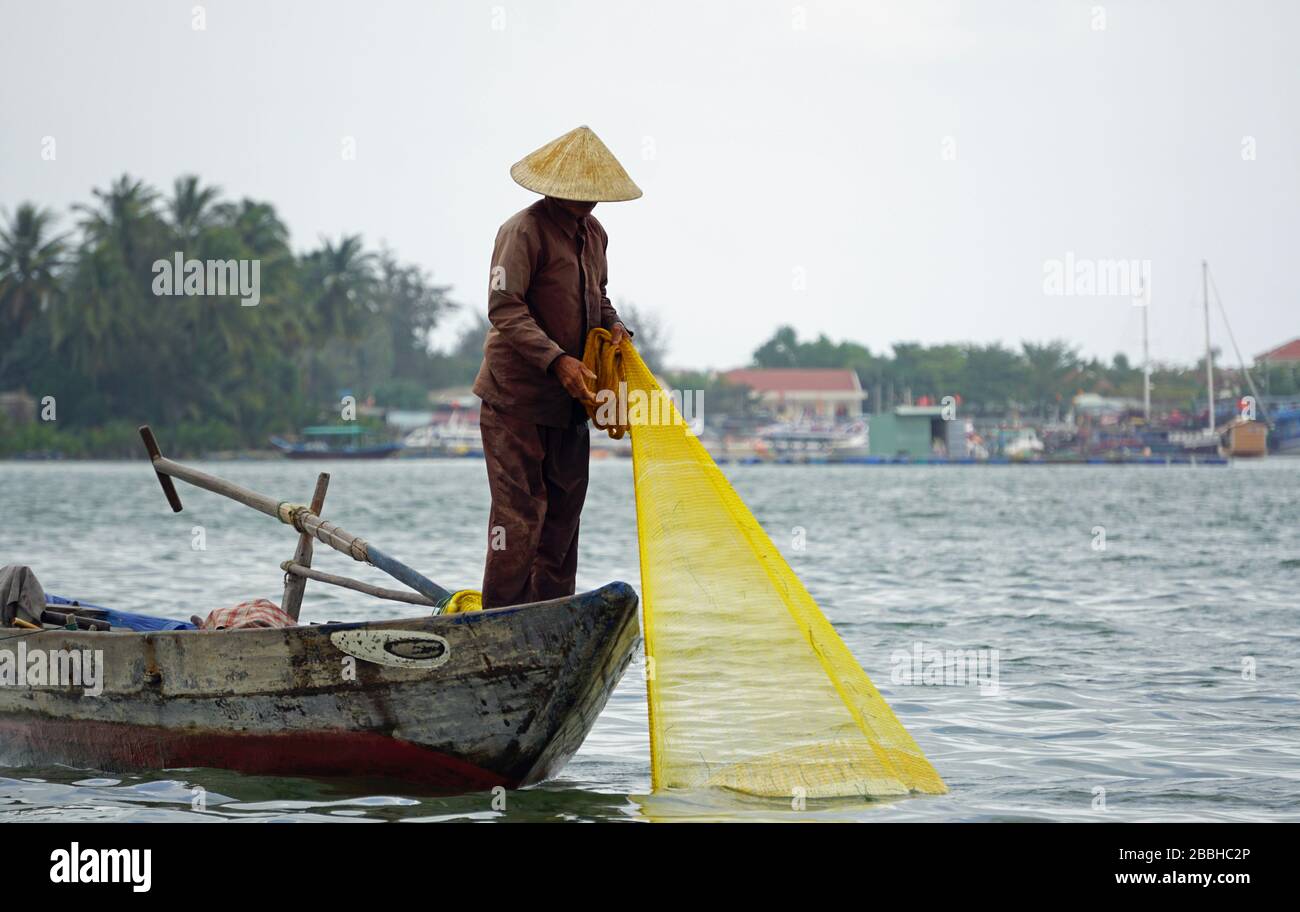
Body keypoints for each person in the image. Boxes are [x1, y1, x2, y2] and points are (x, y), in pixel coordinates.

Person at [472, 125, 642, 608]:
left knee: (565, 517)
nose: (588, 204)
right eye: (579, 195)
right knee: (518, 517)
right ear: (553, 188)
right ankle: (500, 620)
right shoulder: (521, 232)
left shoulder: (595, 235)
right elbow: (504, 306)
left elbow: (599, 298)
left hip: (571, 404)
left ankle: (550, 619)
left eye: (594, 196)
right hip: (515, 401)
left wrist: (617, 328)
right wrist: (557, 361)